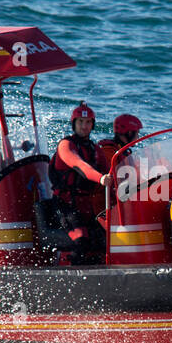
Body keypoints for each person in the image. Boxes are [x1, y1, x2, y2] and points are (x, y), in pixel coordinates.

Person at [49, 102, 113, 263]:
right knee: (81, 240)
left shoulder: (94, 148)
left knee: (106, 240)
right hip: (65, 207)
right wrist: (100, 178)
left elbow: (110, 172)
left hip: (86, 207)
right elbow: (80, 166)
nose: (84, 126)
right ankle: (71, 276)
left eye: (88, 122)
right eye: (80, 122)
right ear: (74, 124)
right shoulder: (66, 145)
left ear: (93, 125)